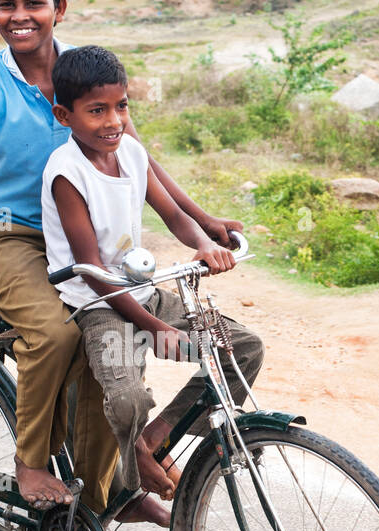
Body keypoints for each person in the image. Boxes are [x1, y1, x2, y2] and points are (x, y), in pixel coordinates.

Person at [0, 0, 242, 531]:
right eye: (7, 5)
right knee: (55, 333)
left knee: (111, 341)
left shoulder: (85, 72)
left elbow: (139, 161)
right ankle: (29, 463)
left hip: (86, 241)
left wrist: (204, 225)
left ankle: (110, 488)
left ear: (60, 8)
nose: (19, 15)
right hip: (9, 237)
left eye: (34, 3)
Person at [42, 46, 264, 499]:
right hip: (101, 306)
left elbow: (174, 215)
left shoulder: (132, 154)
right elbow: (96, 275)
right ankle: (124, 485)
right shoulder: (67, 173)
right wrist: (155, 327)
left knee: (242, 348)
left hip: (145, 293)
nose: (113, 122)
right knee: (126, 400)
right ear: (65, 115)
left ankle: (155, 438)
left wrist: (205, 244)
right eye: (96, 111)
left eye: (121, 106)